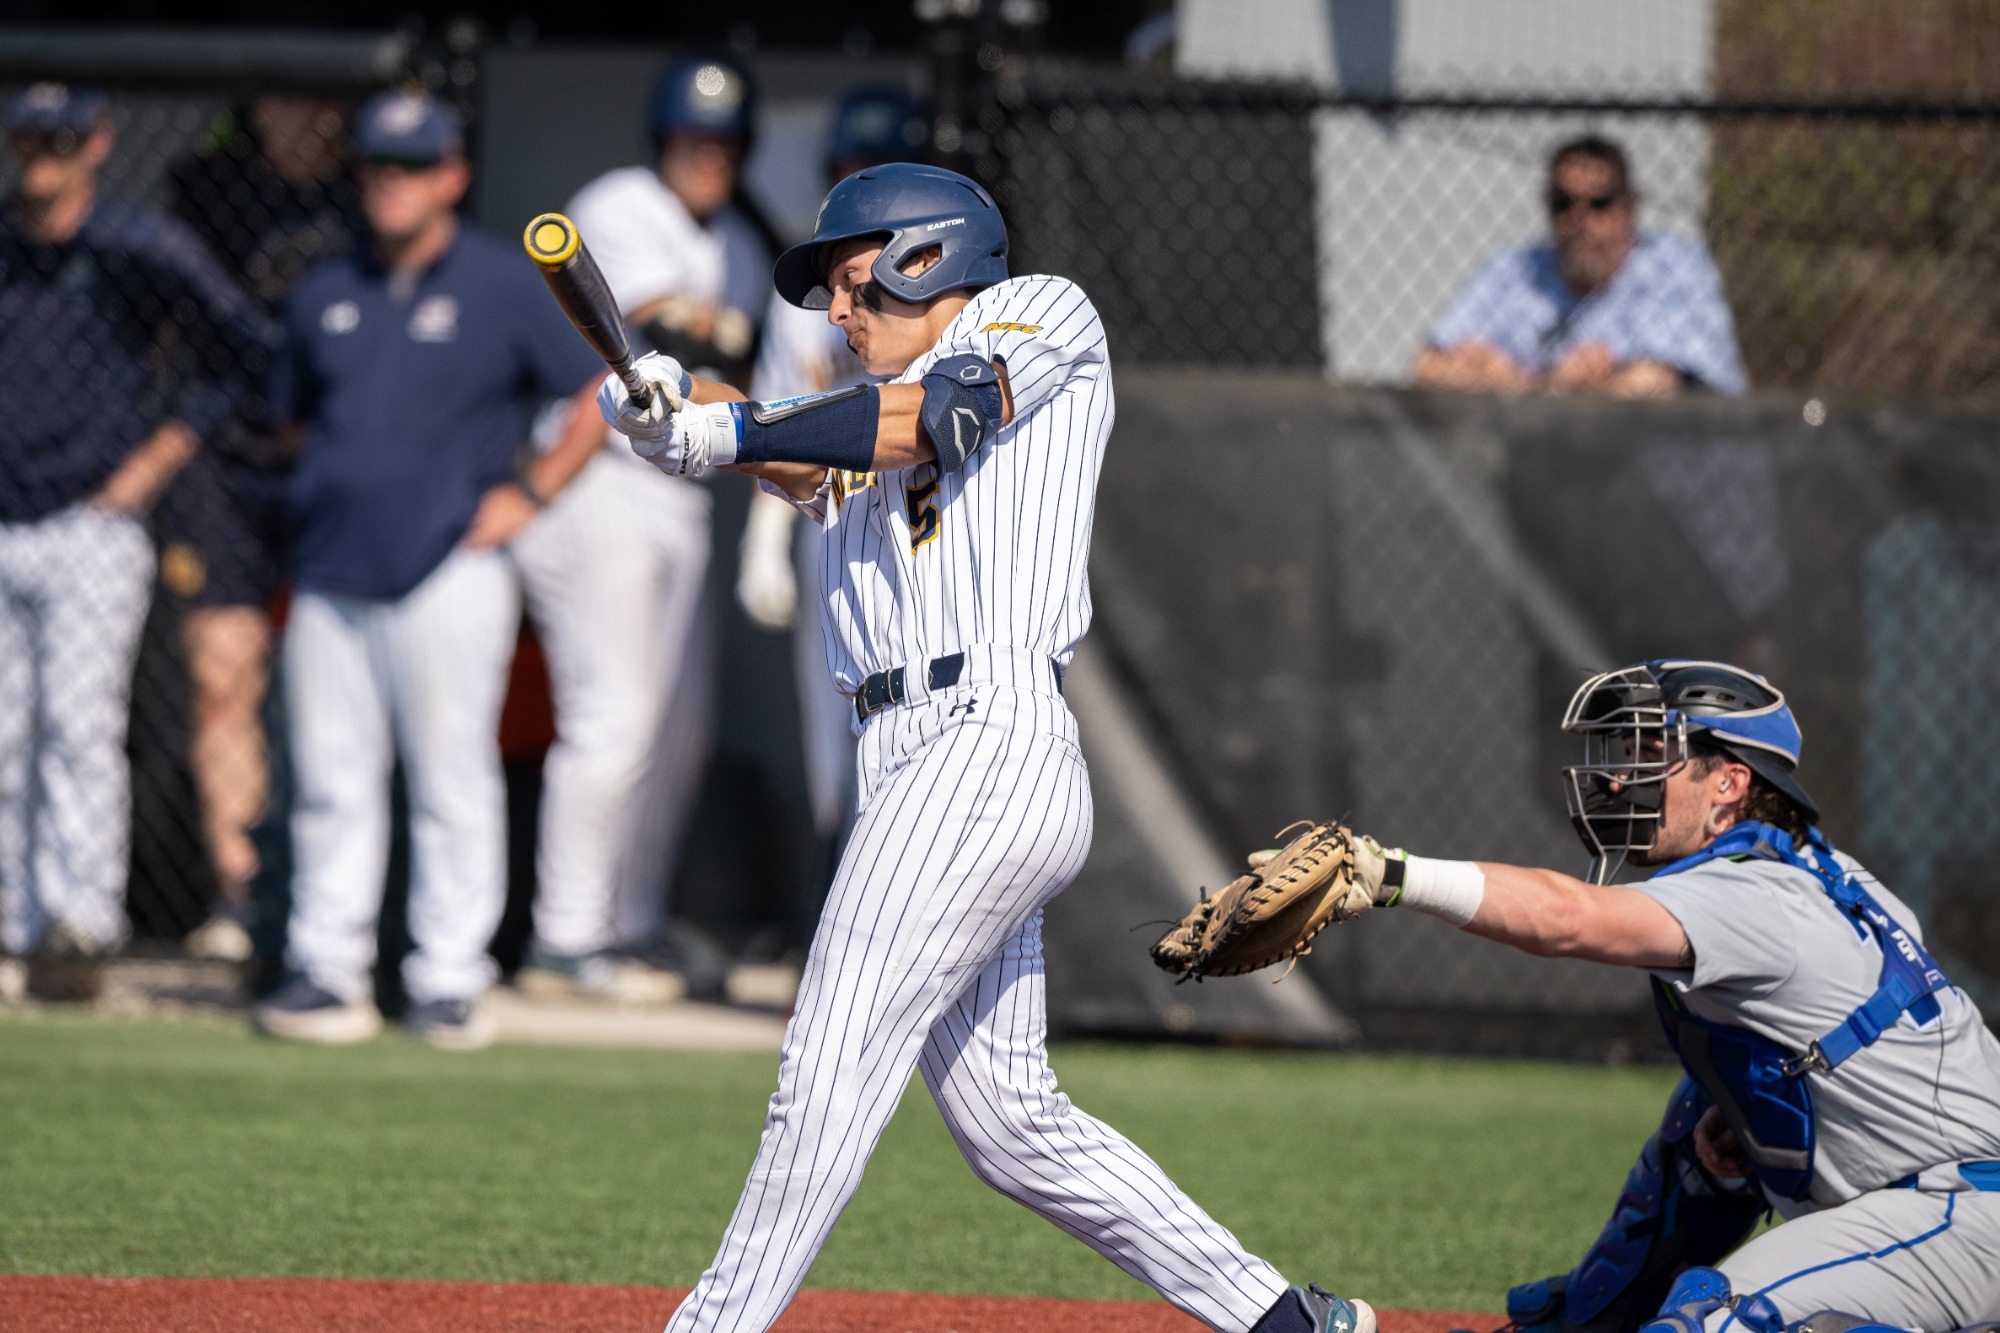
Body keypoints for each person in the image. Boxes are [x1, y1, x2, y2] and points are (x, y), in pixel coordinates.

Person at [594, 162, 1372, 1333]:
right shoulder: (863, 404)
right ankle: (1285, 1319)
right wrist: (672, 402)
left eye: (854, 285)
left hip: (983, 735)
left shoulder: (1039, 312)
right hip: (910, 759)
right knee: (1010, 1123)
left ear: (928, 256)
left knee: (829, 1057)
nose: (837, 314)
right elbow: (808, 458)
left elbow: (933, 417)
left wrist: (723, 424)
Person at [1312, 660, 2000, 1332]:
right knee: (1698, 1133)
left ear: (1730, 782)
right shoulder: (1807, 870)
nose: (1617, 776)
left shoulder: (1752, 892)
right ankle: (1595, 1318)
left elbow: (1568, 919)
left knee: (1715, 1320)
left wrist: (1389, 873)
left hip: (1957, 1211)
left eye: (1652, 752)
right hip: (1937, 1203)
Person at [248, 91, 607, 1049]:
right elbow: (290, 417)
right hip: (331, 565)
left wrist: (528, 498)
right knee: (329, 780)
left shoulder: (499, 282)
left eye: (412, 165)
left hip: (451, 562)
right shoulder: (324, 286)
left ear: (452, 174)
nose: (392, 182)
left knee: (453, 777)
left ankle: (448, 976)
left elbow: (599, 394)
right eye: (377, 165)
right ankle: (326, 970)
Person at [511, 55, 774, 1003]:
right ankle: (564, 936)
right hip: (601, 486)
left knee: (676, 730)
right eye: (691, 140)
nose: (706, 157)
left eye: (723, 143)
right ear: (663, 140)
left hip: (677, 492)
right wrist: (539, 491)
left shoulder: (740, 244)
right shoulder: (621, 201)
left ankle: (626, 926)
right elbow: (631, 346)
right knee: (613, 720)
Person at [0, 84, 264, 1001]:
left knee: (77, 730)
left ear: (98, 143)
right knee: (3, 734)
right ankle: (10, 930)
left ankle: (77, 930)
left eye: (63, 137)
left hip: (90, 517)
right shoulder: (5, 242)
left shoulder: (136, 246)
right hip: (3, 512)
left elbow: (242, 351)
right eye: (32, 135)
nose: (46, 153)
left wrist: (160, 454)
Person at [160, 94, 364, 961]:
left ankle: (330, 900)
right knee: (223, 675)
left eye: (320, 101)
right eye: (284, 99)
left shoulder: (375, 195)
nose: (304, 119)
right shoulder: (207, 191)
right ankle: (244, 896)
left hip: (337, 454)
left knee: (343, 683)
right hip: (228, 455)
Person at [738, 87, 929, 951]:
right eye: (843, 173)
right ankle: (833, 939)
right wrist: (764, 540)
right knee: (837, 753)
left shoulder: (972, 311)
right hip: (838, 521)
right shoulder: (819, 297)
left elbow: (911, 423)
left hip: (927, 533)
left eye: (874, 173)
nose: (856, 191)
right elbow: (784, 410)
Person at [1414, 135, 1746, 398]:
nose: (1579, 219)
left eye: (1599, 203)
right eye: (1564, 203)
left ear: (1630, 207)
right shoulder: (1513, 269)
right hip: (1550, 467)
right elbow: (1428, 368)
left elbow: (1652, 388)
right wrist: (1558, 387)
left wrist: (1507, 384)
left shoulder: (1675, 265)